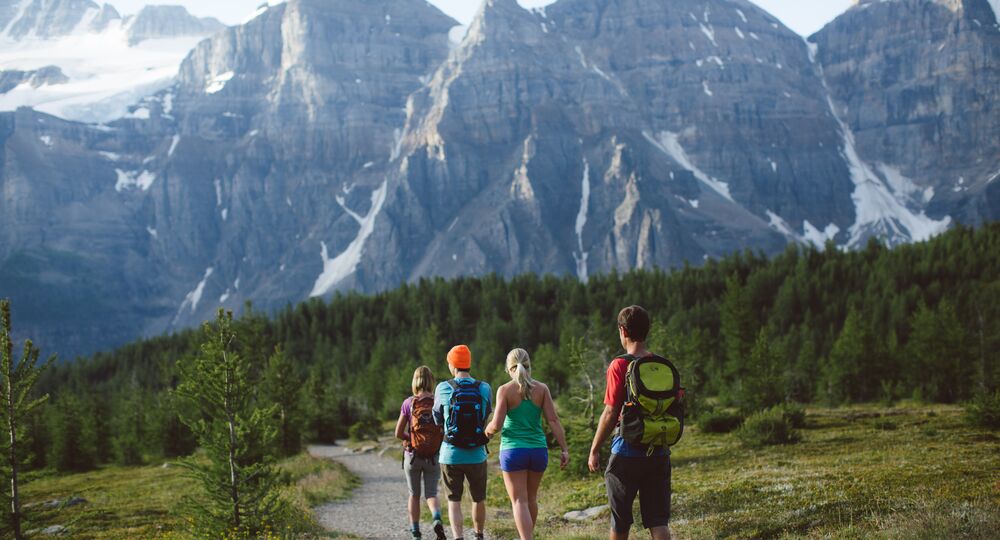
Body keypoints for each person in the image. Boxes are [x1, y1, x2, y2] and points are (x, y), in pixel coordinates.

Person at [589, 306, 672, 540]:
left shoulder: (619, 365)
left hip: (626, 453)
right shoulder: (660, 364)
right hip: (659, 450)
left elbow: (610, 412)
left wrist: (595, 449)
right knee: (658, 522)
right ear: (647, 331)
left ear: (623, 331)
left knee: (620, 522)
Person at [484, 348, 569, 540]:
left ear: (508, 368)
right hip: (538, 450)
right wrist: (564, 449)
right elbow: (553, 421)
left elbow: (496, 425)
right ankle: (528, 535)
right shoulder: (542, 389)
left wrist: (485, 433)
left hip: (513, 451)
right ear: (529, 365)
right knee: (531, 498)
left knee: (519, 501)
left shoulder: (505, 390)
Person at [433, 345, 492, 540]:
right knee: (478, 499)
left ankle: (458, 538)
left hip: (450, 454)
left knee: (454, 500)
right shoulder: (484, 388)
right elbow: (485, 416)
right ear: (468, 364)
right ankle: (479, 535)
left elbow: (437, 419)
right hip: (477, 453)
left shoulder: (442, 387)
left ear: (453, 365)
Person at [395, 366, 447, 540]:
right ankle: (437, 518)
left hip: (413, 456)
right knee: (431, 493)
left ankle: (416, 532)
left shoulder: (409, 403)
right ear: (431, 381)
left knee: (414, 495)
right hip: (433, 456)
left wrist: (409, 439)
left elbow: (397, 432)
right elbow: (444, 430)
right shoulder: (438, 401)